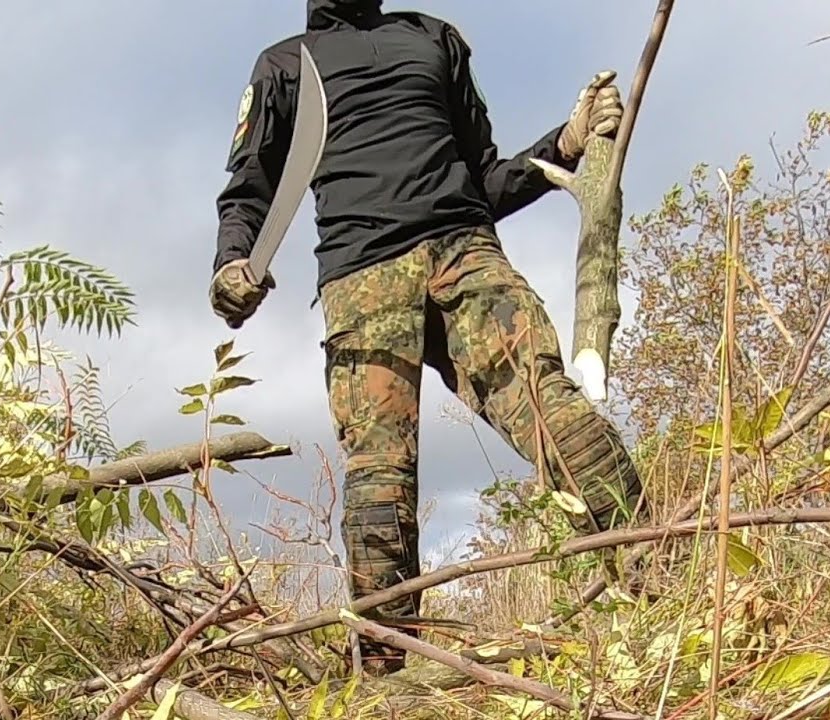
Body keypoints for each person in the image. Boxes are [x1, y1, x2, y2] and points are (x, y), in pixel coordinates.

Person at [208, 0, 646, 674]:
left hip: (466, 252)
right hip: (363, 277)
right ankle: (389, 676)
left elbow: (486, 180)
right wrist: (231, 265)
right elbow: (249, 188)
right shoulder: (285, 67)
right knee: (379, 473)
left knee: (550, 404)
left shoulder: (433, 38)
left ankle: (658, 576)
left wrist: (567, 141)